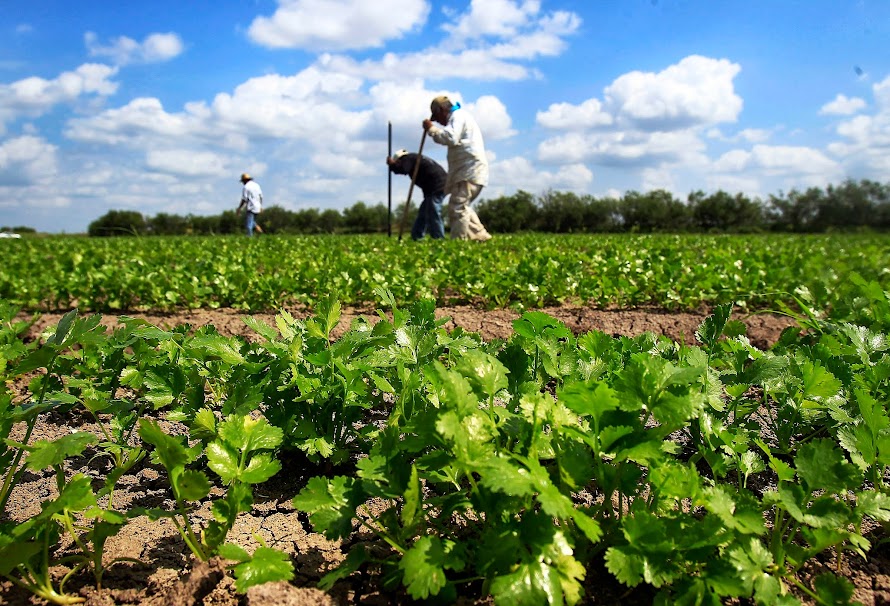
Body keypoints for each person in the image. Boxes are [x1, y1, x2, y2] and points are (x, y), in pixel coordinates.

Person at [422, 95, 492, 241]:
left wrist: (432, 129)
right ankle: (481, 237)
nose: (439, 122)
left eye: (437, 117)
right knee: (462, 205)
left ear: (441, 110)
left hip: (469, 169)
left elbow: (450, 137)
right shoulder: (460, 117)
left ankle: (458, 243)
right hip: (468, 169)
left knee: (457, 206)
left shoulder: (458, 116)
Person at [387, 149, 446, 240]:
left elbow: (403, 169)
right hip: (437, 185)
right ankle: (416, 236)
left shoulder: (408, 158)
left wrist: (392, 165)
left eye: (398, 162)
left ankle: (438, 238)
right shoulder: (414, 159)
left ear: (400, 159)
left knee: (433, 212)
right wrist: (393, 166)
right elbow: (400, 169)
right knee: (424, 212)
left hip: (437, 186)